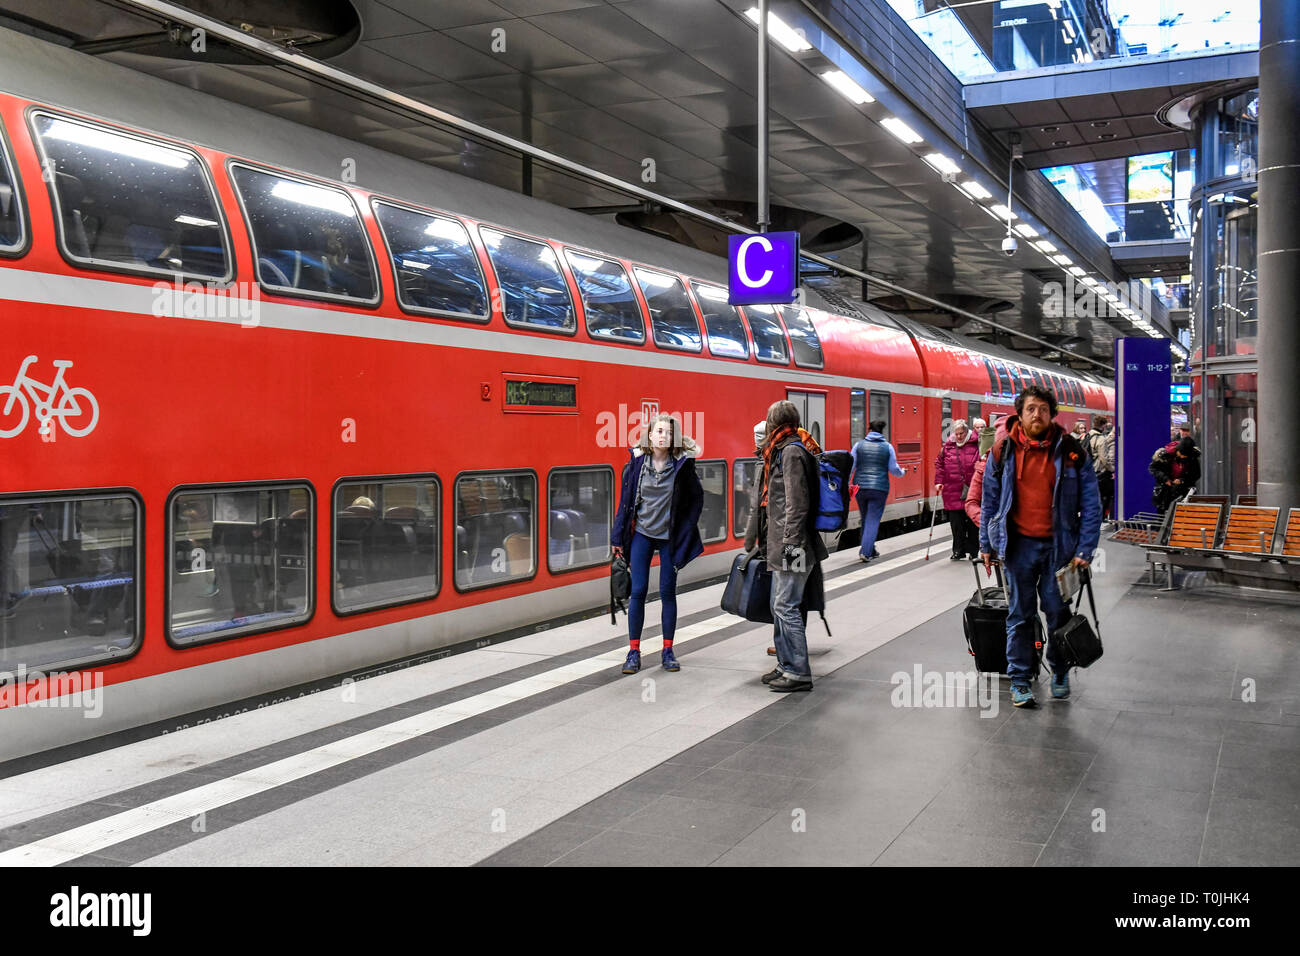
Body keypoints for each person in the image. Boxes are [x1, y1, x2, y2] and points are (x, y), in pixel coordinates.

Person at [979, 385, 1102, 708]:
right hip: (1017, 546)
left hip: (1059, 549)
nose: (1037, 415)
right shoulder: (1001, 452)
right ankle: (1020, 680)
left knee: (1056, 613)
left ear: (1052, 415)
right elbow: (989, 502)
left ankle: (1059, 671)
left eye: (1043, 409)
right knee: (1019, 615)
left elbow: (1091, 504)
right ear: (1020, 414)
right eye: (1031, 408)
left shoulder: (1073, 451)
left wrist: (1085, 550)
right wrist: (986, 545)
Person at [611, 413, 704, 675]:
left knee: (667, 591)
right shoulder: (636, 465)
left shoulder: (682, 467)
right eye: (659, 431)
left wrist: (686, 530)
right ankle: (633, 652)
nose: (663, 435)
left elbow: (696, 500)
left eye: (669, 432)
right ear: (650, 436)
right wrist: (617, 538)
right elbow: (625, 503)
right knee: (638, 591)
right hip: (642, 533)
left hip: (669, 537)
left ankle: (667, 650)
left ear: (674, 438)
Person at [745, 400, 828, 692]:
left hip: (793, 544)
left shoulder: (791, 452)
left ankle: (798, 671)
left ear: (775, 424)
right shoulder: (782, 449)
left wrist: (790, 542)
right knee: (778, 604)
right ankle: (785, 664)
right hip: (784, 542)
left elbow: (797, 502)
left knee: (786, 605)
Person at [850, 418, 905, 563]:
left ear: (869, 430)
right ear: (881, 432)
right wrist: (902, 472)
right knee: (872, 520)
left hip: (860, 488)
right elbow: (894, 469)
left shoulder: (858, 445)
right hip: (879, 488)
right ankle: (866, 552)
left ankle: (870, 549)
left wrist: (846, 482)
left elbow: (851, 465)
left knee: (865, 518)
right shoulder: (888, 447)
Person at [935, 419, 980, 560]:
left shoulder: (976, 444)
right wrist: (938, 482)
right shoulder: (947, 447)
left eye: (961, 433)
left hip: (972, 490)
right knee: (956, 525)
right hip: (952, 490)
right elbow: (939, 464)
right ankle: (958, 550)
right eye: (957, 433)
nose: (959, 436)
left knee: (973, 524)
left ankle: (973, 551)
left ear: (967, 432)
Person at [1149, 436, 1201, 515]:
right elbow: (1153, 468)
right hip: (1165, 494)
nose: (1183, 457)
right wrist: (1165, 479)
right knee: (1163, 520)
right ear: (1178, 450)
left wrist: (1182, 480)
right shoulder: (1164, 455)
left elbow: (1196, 474)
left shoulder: (1192, 457)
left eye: (1186, 456)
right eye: (1182, 454)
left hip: (1183, 493)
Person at [1086, 416, 1116, 521]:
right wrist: (1112, 469)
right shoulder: (1101, 439)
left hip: (1088, 470)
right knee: (1106, 496)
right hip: (1100, 472)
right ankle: (1101, 517)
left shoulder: (1087, 435)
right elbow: (1104, 459)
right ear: (1103, 426)